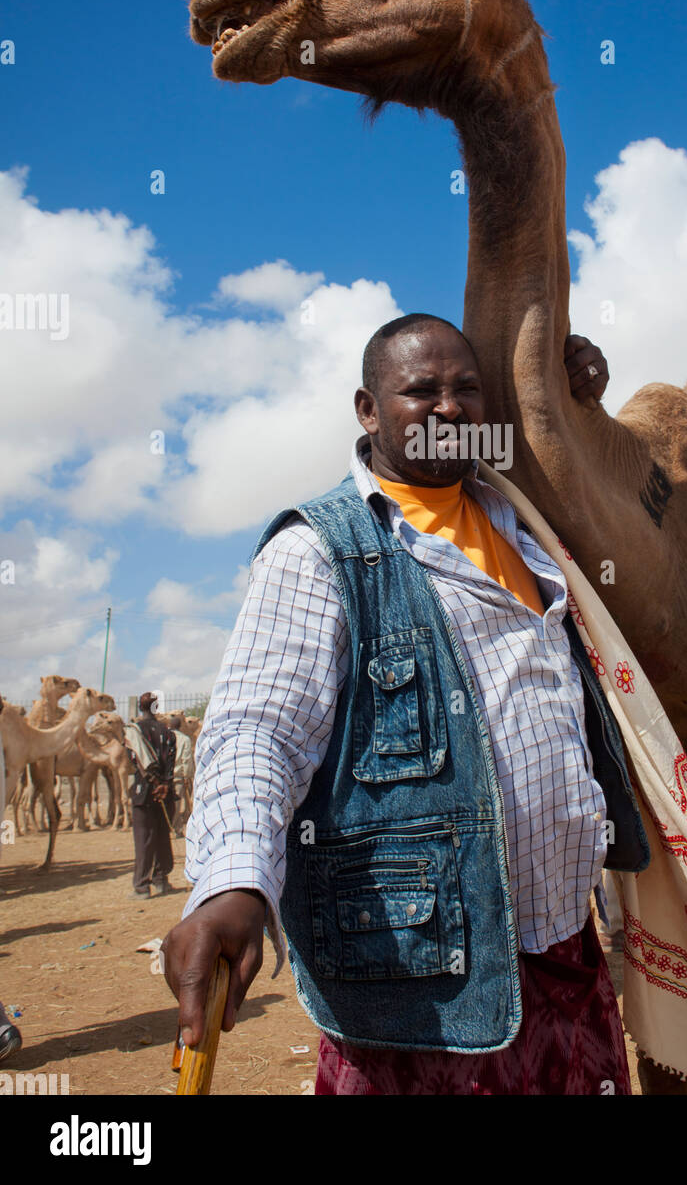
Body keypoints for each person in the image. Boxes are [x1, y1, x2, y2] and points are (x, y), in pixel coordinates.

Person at [163, 317, 649, 1095]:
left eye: (465, 390)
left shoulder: (524, 529)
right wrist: (232, 881)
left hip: (562, 951)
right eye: (421, 391)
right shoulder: (318, 549)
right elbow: (259, 729)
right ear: (367, 408)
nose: (448, 408)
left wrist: (571, 397)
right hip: (420, 989)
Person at [126, 692, 176, 899]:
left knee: (144, 838)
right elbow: (171, 763)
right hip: (165, 792)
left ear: (140, 707)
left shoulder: (133, 732)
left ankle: (141, 886)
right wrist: (164, 784)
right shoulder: (168, 732)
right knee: (162, 835)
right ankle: (161, 880)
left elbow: (135, 759)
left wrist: (154, 782)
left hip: (144, 792)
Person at [164, 713, 194, 837]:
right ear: (180, 726)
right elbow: (186, 759)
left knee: (165, 803)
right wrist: (187, 776)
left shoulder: (163, 737)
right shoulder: (184, 739)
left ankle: (166, 828)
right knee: (176, 804)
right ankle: (176, 828)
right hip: (178, 776)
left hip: (164, 776)